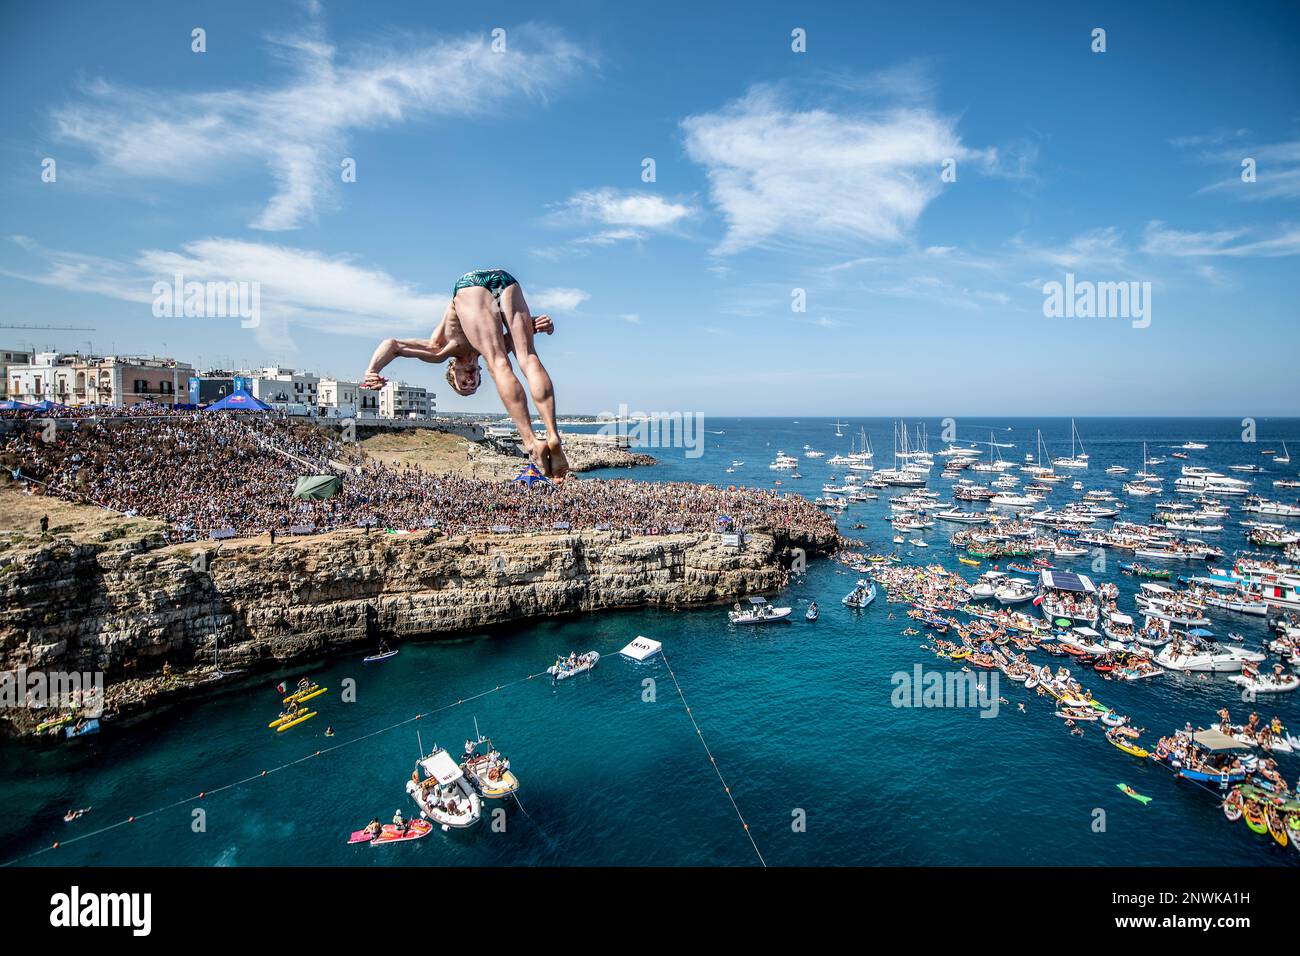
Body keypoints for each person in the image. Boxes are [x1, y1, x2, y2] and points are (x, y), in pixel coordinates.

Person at [361, 269, 568, 479]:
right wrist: (540, 325)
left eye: (463, 384)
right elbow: (524, 329)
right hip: (505, 281)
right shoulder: (492, 345)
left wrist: (372, 370)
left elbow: (393, 345)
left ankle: (531, 443)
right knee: (527, 356)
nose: (469, 381)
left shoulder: (441, 349)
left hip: (471, 286)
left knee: (498, 364)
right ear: (479, 375)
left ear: (452, 370)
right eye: (473, 384)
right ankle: (553, 435)